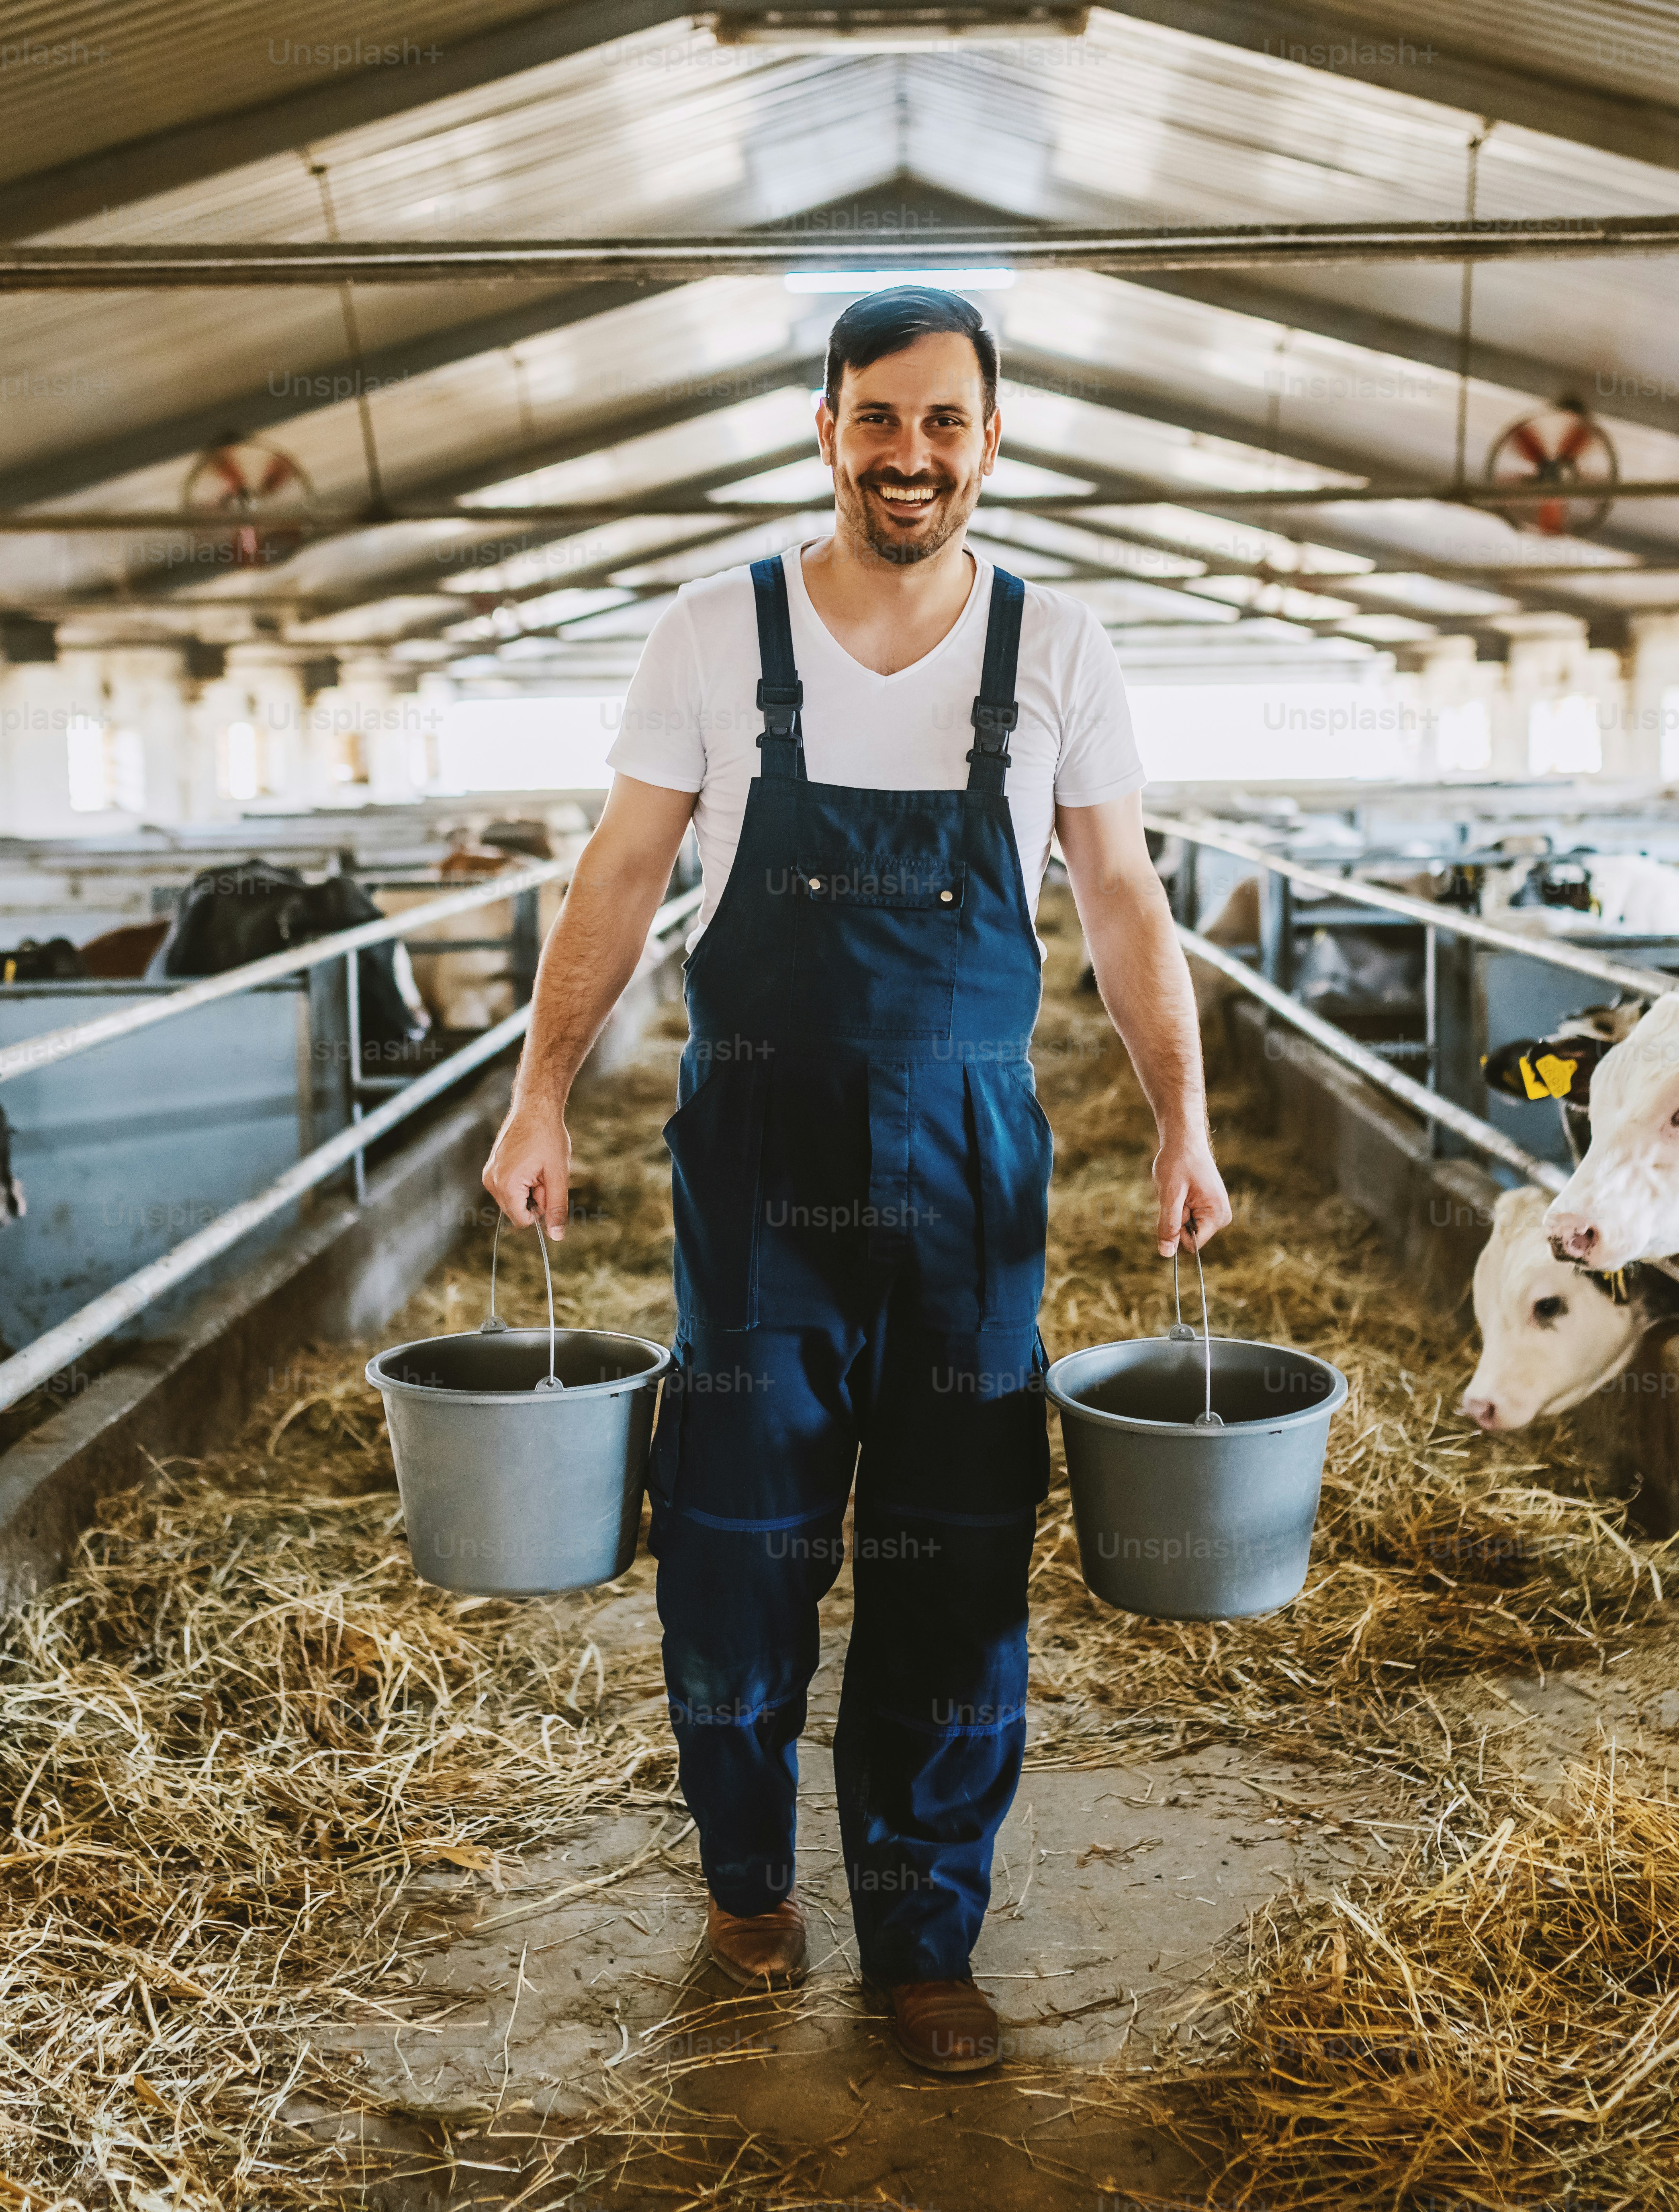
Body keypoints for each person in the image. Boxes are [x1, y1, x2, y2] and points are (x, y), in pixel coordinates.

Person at [479, 284, 1229, 2076]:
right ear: (824, 429)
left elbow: (1122, 898)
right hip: (755, 1153)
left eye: (946, 422)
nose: (912, 454)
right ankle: (750, 1881)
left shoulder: (1056, 649)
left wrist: (1182, 1118)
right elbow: (619, 869)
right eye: (878, 419)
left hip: (974, 1167)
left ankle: (923, 1932)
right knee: (737, 1545)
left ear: (992, 437)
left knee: (959, 1556)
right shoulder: (713, 631)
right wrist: (540, 1094)